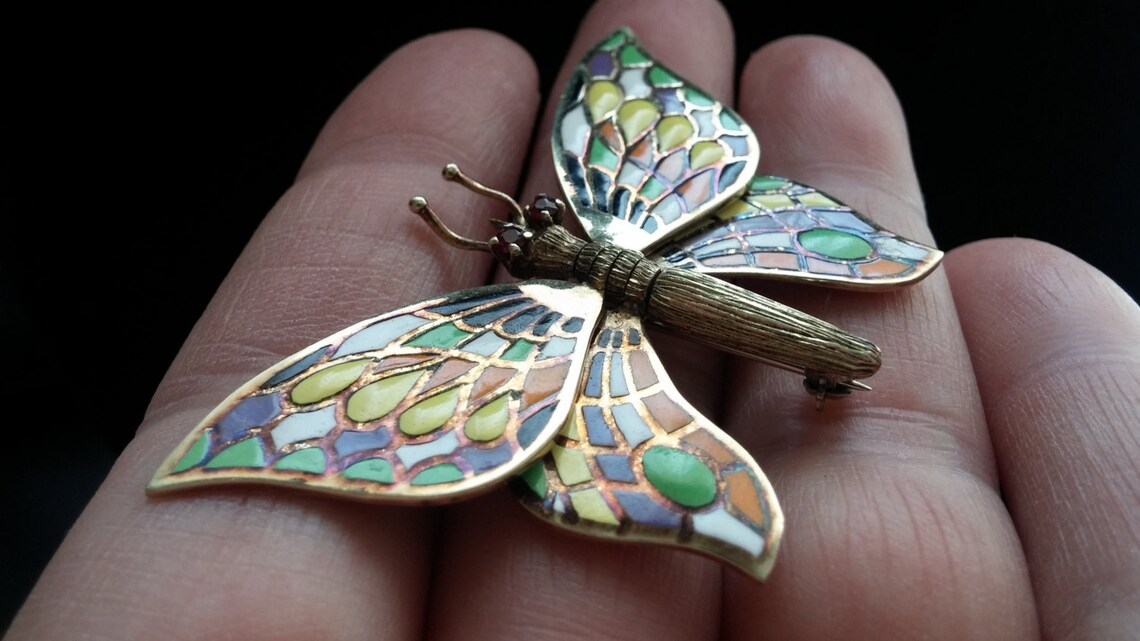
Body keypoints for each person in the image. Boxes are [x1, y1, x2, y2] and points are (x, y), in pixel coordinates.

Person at [6, 1, 1138, 638]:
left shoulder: (519, 289)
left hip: (713, 283)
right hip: (701, 303)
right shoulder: (535, 286)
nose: (523, 234)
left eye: (525, 227)